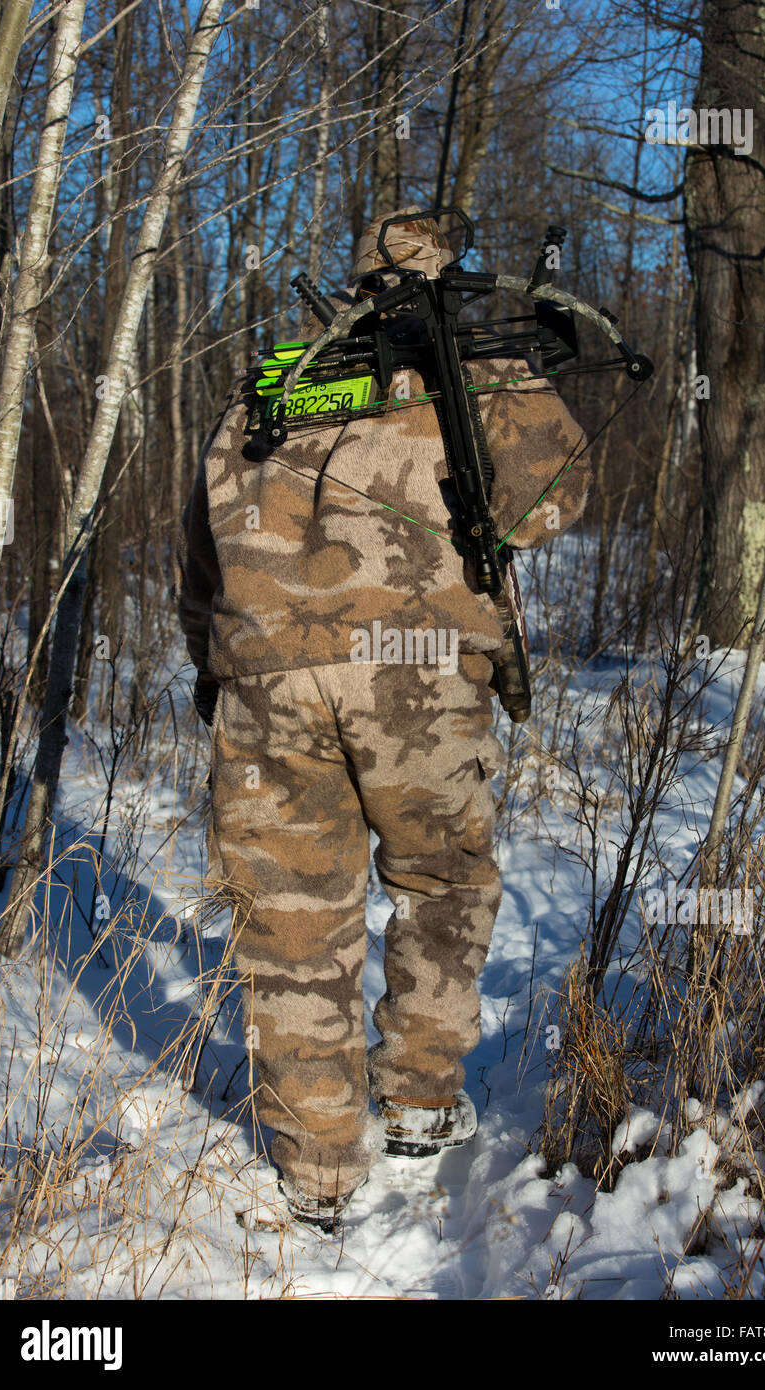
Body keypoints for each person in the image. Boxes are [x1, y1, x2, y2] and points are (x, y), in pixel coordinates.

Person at [175, 207, 591, 1233]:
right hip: (416, 679)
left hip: (266, 680)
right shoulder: (475, 365)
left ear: (354, 279)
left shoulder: (271, 382)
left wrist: (214, 674)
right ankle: (413, 1103)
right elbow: (548, 501)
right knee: (441, 883)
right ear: (451, 273)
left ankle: (316, 1164)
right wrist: (512, 382)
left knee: (289, 918)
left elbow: (199, 558)